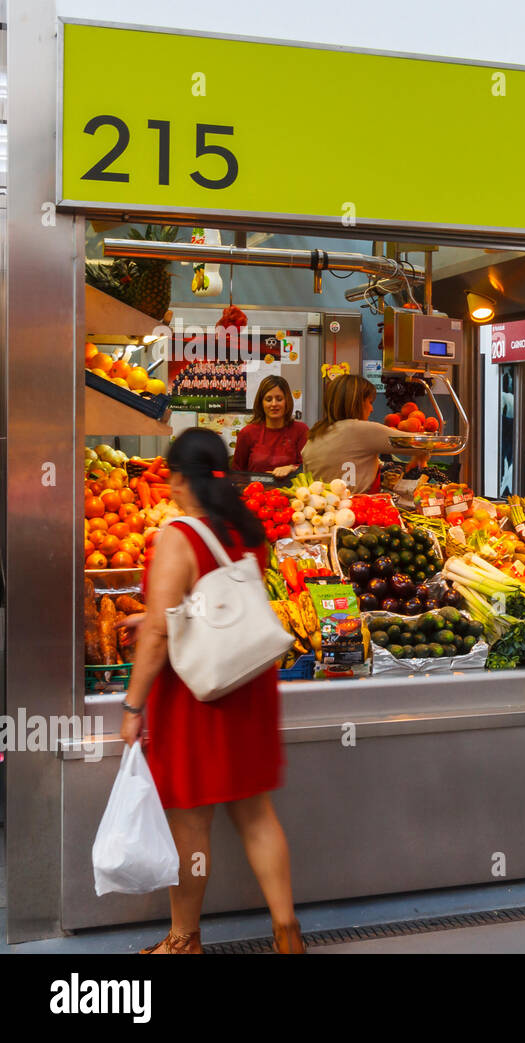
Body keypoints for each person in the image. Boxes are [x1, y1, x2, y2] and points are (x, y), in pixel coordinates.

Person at [118, 428, 303, 954]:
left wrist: (133, 706)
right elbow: (209, 606)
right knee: (255, 814)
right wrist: (153, 615)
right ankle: (287, 933)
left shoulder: (179, 534)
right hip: (248, 682)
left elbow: (160, 632)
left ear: (179, 477)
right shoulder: (245, 530)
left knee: (190, 819)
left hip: (197, 693)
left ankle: (183, 940)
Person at [301, 374, 424, 493]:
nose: (372, 409)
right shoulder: (361, 430)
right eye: (370, 402)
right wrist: (421, 454)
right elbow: (423, 444)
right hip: (356, 508)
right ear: (357, 403)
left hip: (322, 509)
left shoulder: (315, 434)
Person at [232, 375, 308, 477]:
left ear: (287, 401)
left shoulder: (301, 430)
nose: (274, 404)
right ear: (261, 403)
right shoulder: (247, 433)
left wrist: (291, 468)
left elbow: (308, 468)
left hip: (290, 491)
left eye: (279, 399)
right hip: (255, 491)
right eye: (268, 399)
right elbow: (237, 473)